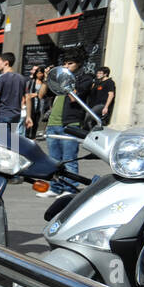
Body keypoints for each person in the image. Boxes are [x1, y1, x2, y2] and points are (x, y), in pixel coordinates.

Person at [45, 50, 92, 194]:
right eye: (64, 64)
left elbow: (74, 98)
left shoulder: (85, 79)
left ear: (78, 64)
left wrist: (66, 80)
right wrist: (48, 78)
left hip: (70, 123)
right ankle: (55, 187)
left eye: (70, 64)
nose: (66, 66)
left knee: (69, 159)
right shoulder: (59, 79)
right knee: (53, 160)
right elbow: (43, 94)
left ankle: (70, 188)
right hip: (53, 123)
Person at [0, 52, 28, 136]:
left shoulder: (2, 78)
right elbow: (26, 98)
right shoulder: (22, 78)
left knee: (3, 141)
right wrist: (28, 116)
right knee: (12, 140)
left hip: (4, 114)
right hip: (16, 115)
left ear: (6, 63)